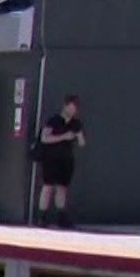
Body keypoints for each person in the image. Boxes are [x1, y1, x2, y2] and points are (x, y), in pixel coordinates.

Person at [33, 94, 86, 227]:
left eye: (75, 109)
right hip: (51, 159)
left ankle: (61, 216)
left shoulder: (76, 123)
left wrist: (79, 135)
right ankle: (42, 216)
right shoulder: (54, 121)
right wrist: (63, 136)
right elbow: (44, 138)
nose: (73, 111)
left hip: (66, 159)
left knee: (62, 188)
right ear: (65, 106)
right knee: (48, 187)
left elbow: (82, 143)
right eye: (71, 107)